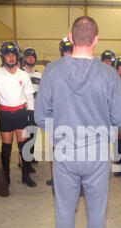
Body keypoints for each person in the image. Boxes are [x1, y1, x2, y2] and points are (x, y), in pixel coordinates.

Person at [35, 16, 121, 228]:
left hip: (65, 152)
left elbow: (40, 116)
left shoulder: (52, 71)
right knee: (96, 211)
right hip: (98, 153)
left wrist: (63, 128)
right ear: (96, 40)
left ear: (71, 37)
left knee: (64, 210)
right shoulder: (109, 74)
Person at [0, 41, 36, 188]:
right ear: (2, 57)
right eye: (7, 55)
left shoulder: (23, 75)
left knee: (24, 146)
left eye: (13, 55)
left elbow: (29, 96)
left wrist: (31, 113)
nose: (11, 58)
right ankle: (5, 178)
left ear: (17, 57)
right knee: (6, 148)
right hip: (6, 115)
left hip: (21, 114)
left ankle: (25, 176)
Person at [46, 38, 75, 187]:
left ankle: (74, 178)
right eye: (66, 52)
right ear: (62, 53)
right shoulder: (53, 70)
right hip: (59, 116)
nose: (68, 54)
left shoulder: (80, 69)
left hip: (75, 117)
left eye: (70, 51)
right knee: (57, 148)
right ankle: (56, 177)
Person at [21, 47, 41, 169]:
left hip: (35, 109)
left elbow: (42, 91)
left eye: (32, 56)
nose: (30, 58)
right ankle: (23, 161)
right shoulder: (20, 73)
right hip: (23, 109)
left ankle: (30, 155)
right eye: (28, 56)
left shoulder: (39, 74)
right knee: (24, 135)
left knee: (33, 134)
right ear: (24, 58)